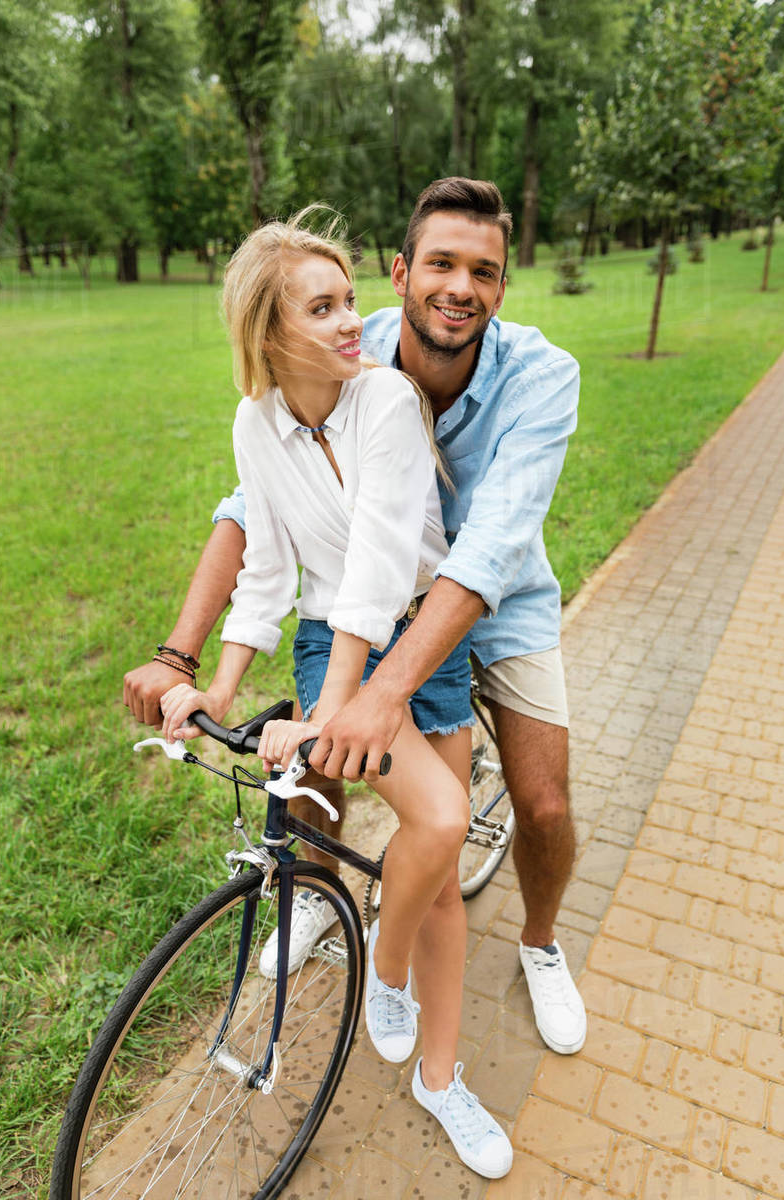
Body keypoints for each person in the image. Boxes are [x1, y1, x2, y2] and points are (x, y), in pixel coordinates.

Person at [124, 176, 587, 1059]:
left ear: (502, 286)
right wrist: (185, 662)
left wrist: (372, 696)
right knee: (322, 767)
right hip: (367, 608)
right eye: (442, 264)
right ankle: (318, 895)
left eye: (484, 271)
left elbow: (483, 552)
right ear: (402, 270)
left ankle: (539, 941)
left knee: (542, 798)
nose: (461, 287)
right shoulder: (347, 342)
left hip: (496, 597)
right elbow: (253, 521)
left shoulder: (539, 375)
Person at [156, 210, 513, 1180]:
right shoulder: (253, 423)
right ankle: (387, 973)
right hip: (332, 640)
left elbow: (379, 558)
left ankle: (399, 1003)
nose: (353, 320)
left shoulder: (386, 401)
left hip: (416, 634)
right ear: (269, 332)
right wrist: (212, 685)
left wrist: (336, 711)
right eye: (323, 307)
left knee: (436, 859)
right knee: (437, 828)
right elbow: (269, 570)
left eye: (350, 298)